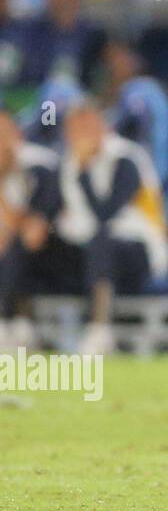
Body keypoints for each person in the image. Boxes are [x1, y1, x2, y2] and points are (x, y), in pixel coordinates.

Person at [40, 100, 168, 354]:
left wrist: (84, 171)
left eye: (87, 127)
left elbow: (104, 213)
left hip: (139, 250)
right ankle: (15, 324)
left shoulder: (127, 158)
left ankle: (99, 329)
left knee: (101, 238)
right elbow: (50, 212)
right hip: (88, 249)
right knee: (30, 241)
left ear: (102, 127)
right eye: (76, 130)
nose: (82, 136)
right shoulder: (66, 163)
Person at [0, 110, 60, 349]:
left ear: (17, 134)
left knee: (18, 241)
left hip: (54, 250)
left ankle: (14, 320)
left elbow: (34, 231)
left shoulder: (38, 166)